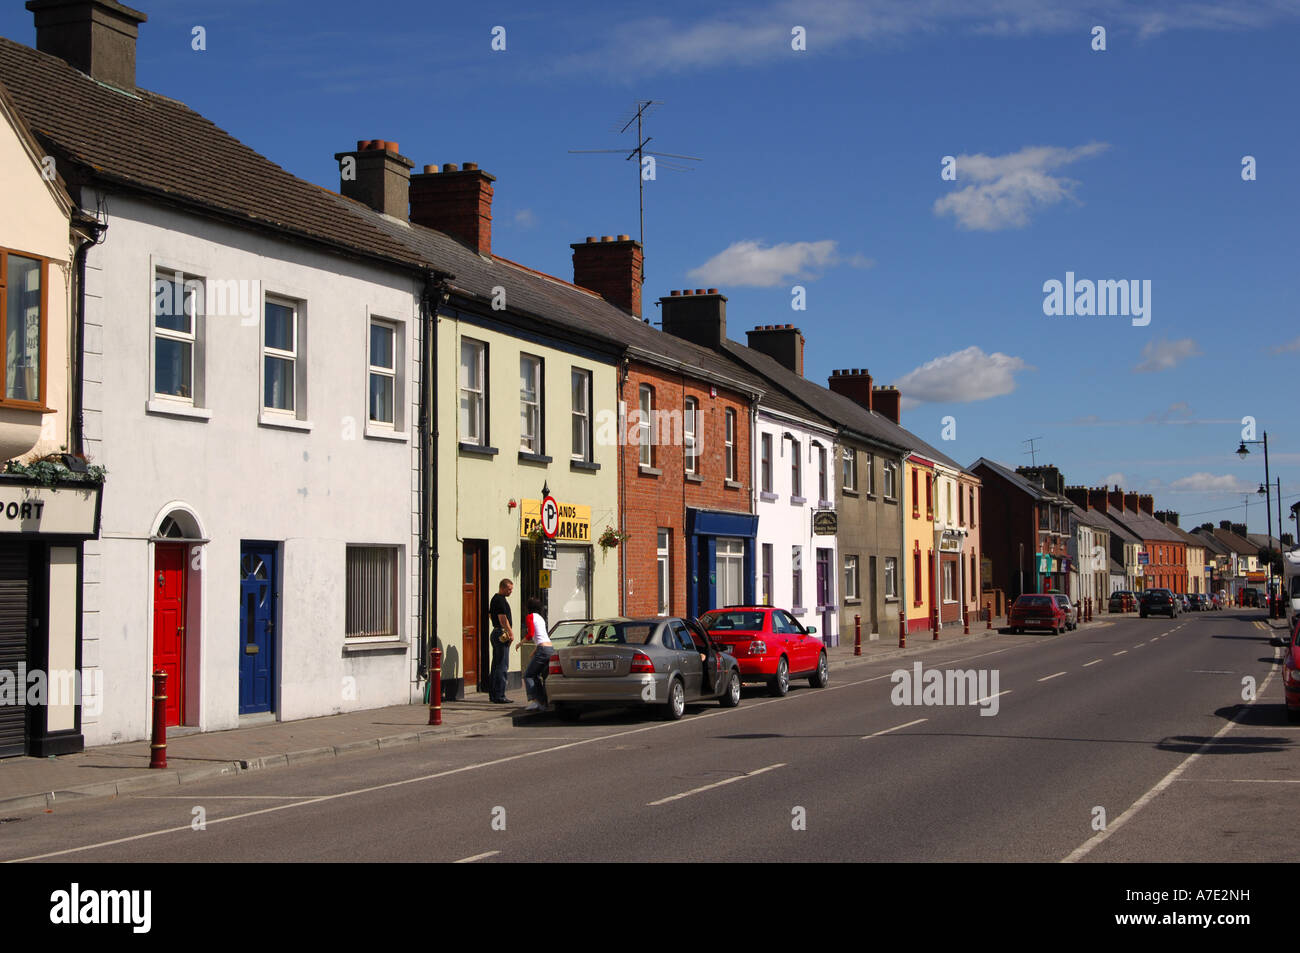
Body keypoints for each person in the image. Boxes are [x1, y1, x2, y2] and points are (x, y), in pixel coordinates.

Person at [521, 598, 553, 711]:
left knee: (528, 675)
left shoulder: (530, 616)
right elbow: (541, 636)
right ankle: (543, 702)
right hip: (549, 648)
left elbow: (531, 634)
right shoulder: (541, 618)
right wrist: (535, 650)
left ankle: (535, 701)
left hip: (542, 649)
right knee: (540, 676)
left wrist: (520, 643)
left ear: (528, 608)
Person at [488, 579, 514, 704]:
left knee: (496, 665)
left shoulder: (494, 599)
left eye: (511, 589)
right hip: (501, 633)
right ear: (502, 588)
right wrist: (510, 633)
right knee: (502, 665)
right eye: (509, 589)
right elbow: (503, 619)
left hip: (496, 632)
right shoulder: (500, 600)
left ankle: (493, 694)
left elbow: (490, 615)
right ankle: (500, 695)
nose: (510, 591)